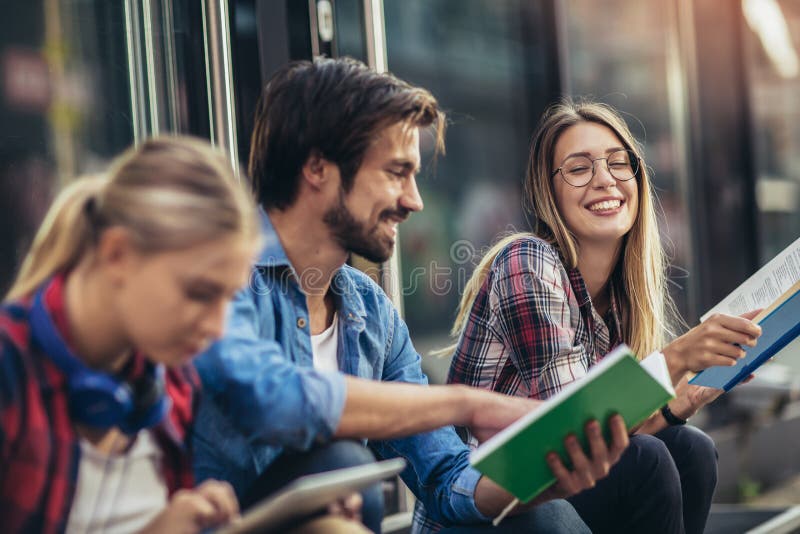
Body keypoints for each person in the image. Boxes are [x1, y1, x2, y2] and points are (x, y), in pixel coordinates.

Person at [191, 57, 630, 534]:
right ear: (318, 168)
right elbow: (268, 398)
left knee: (542, 516)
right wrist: (468, 404)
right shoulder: (223, 273)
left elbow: (446, 477)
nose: (414, 200)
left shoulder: (369, 310)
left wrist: (543, 479)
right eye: (397, 173)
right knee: (340, 466)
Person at [0, 136, 365, 534]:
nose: (215, 328)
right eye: (200, 294)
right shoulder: (11, 370)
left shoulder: (171, 381)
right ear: (117, 254)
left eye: (228, 298)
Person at [445, 100, 763, 534]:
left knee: (690, 448)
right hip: (492, 509)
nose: (605, 179)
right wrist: (677, 357)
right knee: (647, 460)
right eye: (579, 169)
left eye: (618, 163)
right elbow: (573, 429)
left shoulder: (620, 297)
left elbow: (610, 438)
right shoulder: (527, 261)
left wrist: (683, 402)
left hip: (560, 486)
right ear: (547, 191)